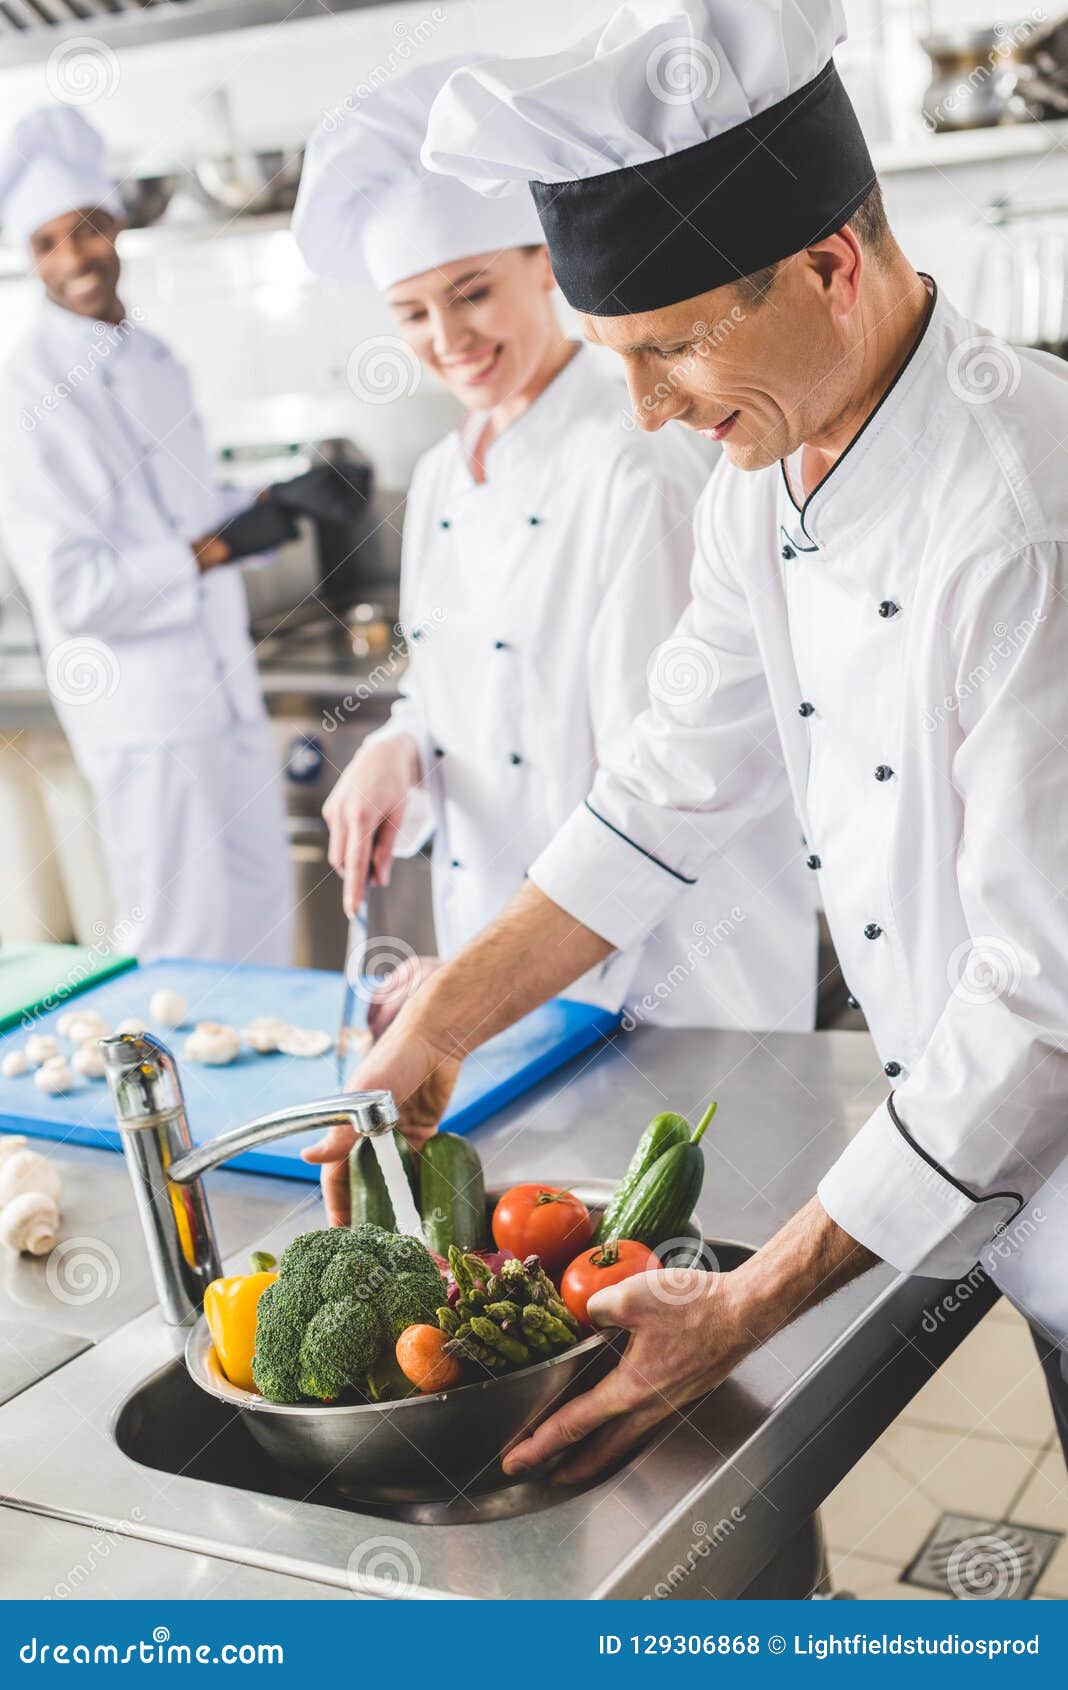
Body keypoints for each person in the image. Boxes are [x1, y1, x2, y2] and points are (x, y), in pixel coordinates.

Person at [304, 0, 1068, 1481]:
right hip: (1021, 1187)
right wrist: (443, 1018)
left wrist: (749, 1302)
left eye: (667, 352)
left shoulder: (1026, 525)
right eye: (616, 360)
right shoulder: (766, 474)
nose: (647, 414)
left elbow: (1042, 1002)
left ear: (830, 265)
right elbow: (662, 794)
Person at [291, 58, 817, 1036]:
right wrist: (399, 745)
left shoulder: (636, 463)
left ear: (543, 265)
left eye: (472, 292)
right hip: (506, 963)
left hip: (672, 982)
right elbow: (454, 681)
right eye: (412, 312)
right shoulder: (449, 470)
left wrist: (494, 975)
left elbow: (662, 775)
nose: (448, 336)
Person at [0, 108, 292, 964]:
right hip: (148, 712)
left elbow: (185, 508)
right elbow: (75, 591)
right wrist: (216, 550)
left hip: (224, 686)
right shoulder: (26, 392)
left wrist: (280, 504)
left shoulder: (158, 360)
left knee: (265, 920)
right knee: (183, 943)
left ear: (115, 227)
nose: (74, 258)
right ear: (30, 257)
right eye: (48, 242)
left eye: (85, 230)